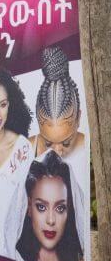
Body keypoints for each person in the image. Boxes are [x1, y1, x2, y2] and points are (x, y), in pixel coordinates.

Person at [6, 151, 85, 261]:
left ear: (69, 209)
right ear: (28, 207)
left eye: (60, 208)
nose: (51, 220)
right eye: (41, 207)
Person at [30, 47, 87, 181]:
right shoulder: (26, 150)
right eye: (48, 143)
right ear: (38, 121)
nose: (56, 153)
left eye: (66, 143)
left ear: (78, 118)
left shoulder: (88, 147)